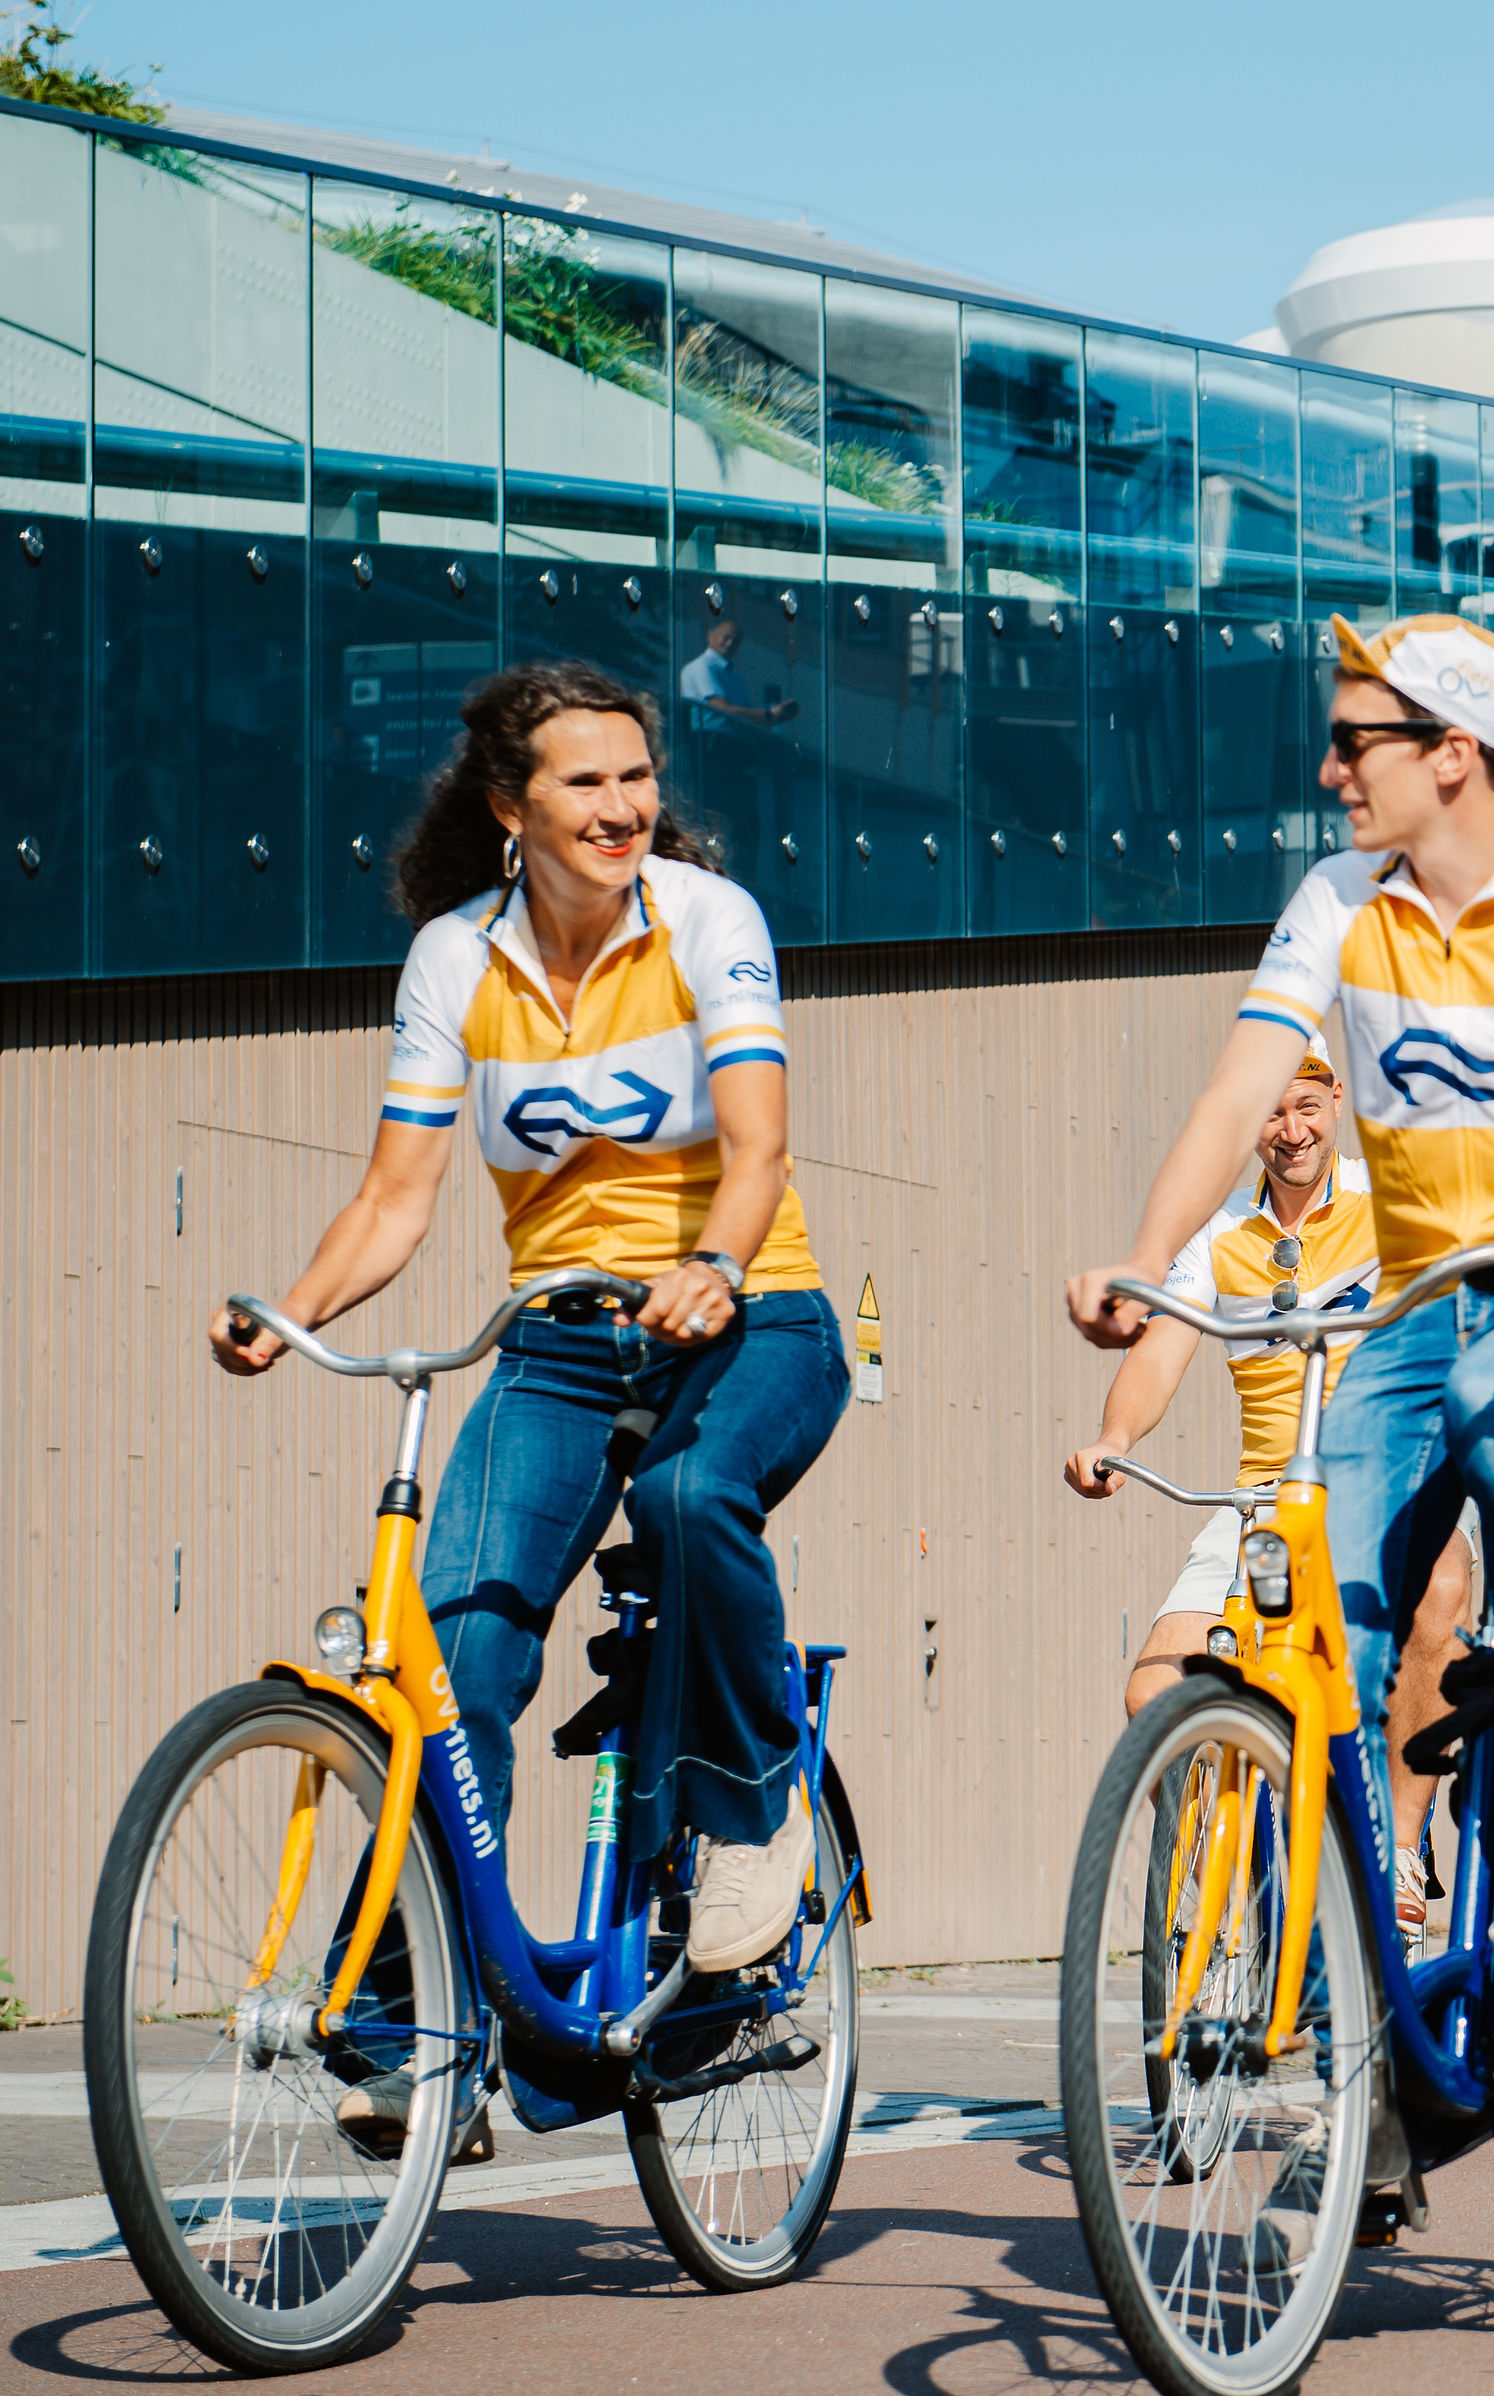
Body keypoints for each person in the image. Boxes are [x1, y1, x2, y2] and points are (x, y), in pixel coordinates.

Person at [209, 659, 849, 2142]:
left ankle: (752, 1824)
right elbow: (397, 1196)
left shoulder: (706, 921)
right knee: (456, 1655)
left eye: (638, 777)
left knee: (694, 1498)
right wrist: (288, 1312)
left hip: (752, 1319)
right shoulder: (455, 960)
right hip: (557, 1342)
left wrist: (711, 1266)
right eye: (587, 782)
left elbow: (756, 1151)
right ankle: (401, 2016)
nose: (626, 807)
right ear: (513, 809)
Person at [1067, 612, 1494, 1937]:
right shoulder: (1339, 906)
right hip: (1417, 1318)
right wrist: (1143, 1253)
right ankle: (1349, 1947)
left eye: (1357, 742)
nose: (1330, 771)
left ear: (1452, 752)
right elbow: (1241, 1090)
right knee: (1329, 1606)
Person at [1062, 1031, 1476, 1935]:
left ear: (1335, 1105)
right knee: (1153, 1690)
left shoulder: (1393, 1200)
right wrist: (1114, 1436)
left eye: (1307, 1105)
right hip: (1265, 1499)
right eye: (1272, 1111)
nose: (1290, 1129)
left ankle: (1402, 1846)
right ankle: (1223, 1888)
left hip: (1393, 1475)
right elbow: (1161, 1351)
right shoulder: (1218, 1239)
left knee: (1440, 1591)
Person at [678, 614, 796, 735]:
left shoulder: (733, 673)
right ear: (710, 636)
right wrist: (769, 715)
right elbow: (722, 708)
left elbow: (745, 713)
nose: (730, 643)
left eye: (735, 641)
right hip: (711, 739)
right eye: (726, 637)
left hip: (733, 738)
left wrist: (772, 717)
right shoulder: (703, 665)